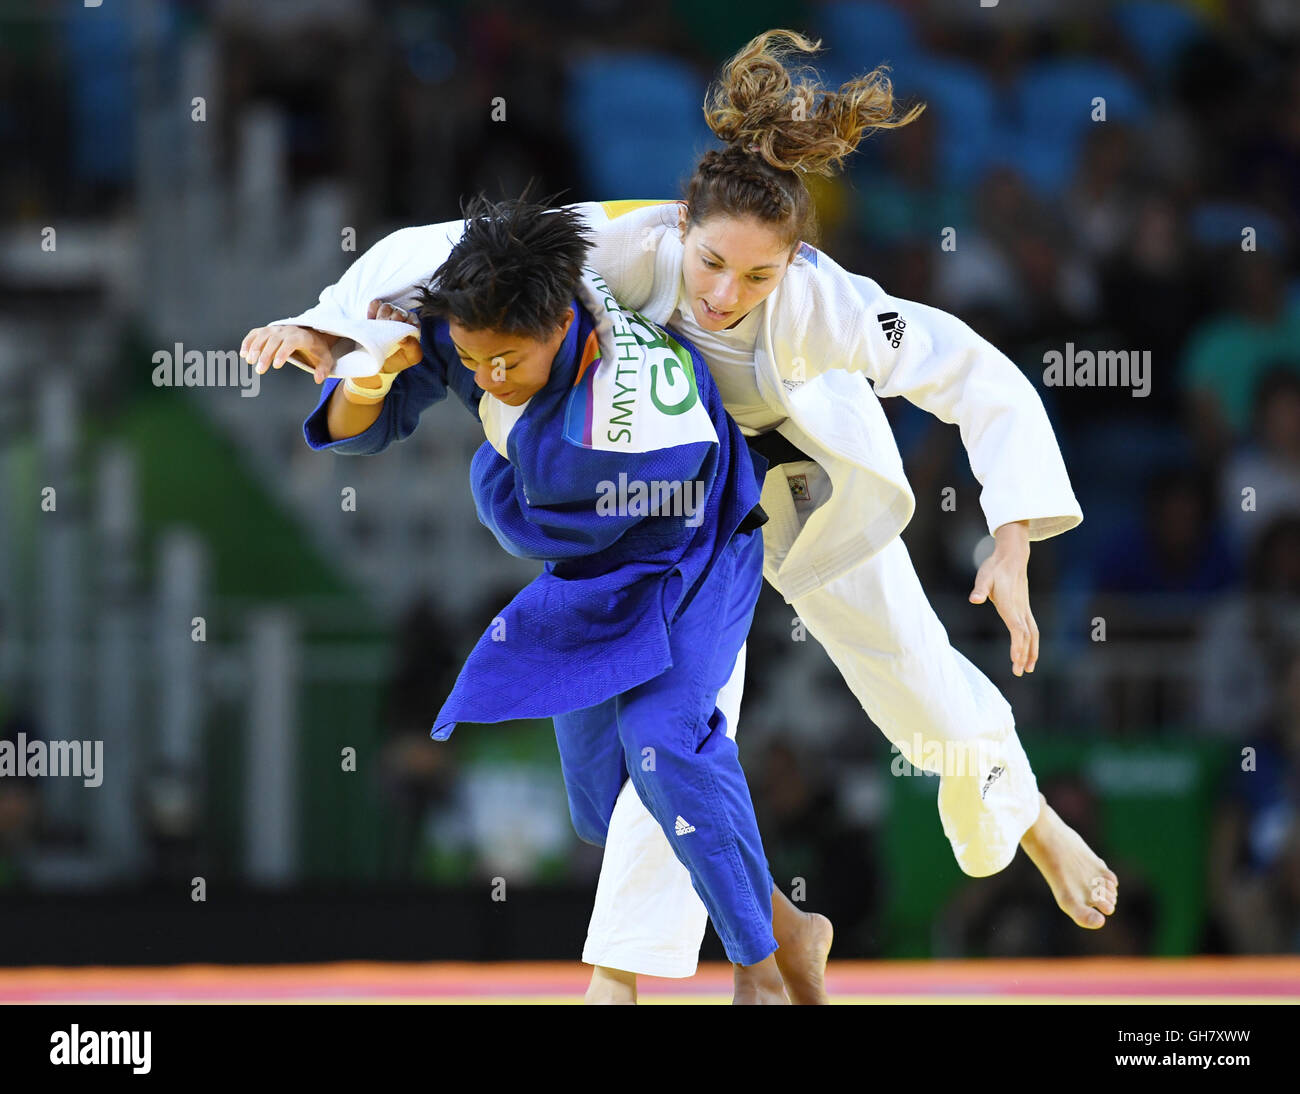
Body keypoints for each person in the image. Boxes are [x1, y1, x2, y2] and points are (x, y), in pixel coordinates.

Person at [242, 29, 1119, 1004]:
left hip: (803, 492)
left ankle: (1028, 814)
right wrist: (327, 323)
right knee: (675, 723)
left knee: (908, 668)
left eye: (755, 277)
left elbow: (973, 370)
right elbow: (437, 253)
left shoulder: (826, 304)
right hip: (686, 519)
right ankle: (628, 975)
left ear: (794, 260)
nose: (722, 293)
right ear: (680, 227)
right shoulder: (623, 244)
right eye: (709, 264)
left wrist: (1011, 536)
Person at [240, 194, 831, 1004]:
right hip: (588, 577)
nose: (489, 378)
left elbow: (551, 510)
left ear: (562, 325)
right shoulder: (491, 322)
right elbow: (361, 422)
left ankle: (761, 970)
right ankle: (788, 925)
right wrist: (361, 357)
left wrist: (499, 462)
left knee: (663, 741)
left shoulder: (627, 402)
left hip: (691, 547)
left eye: (508, 363)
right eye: (472, 359)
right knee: (607, 805)